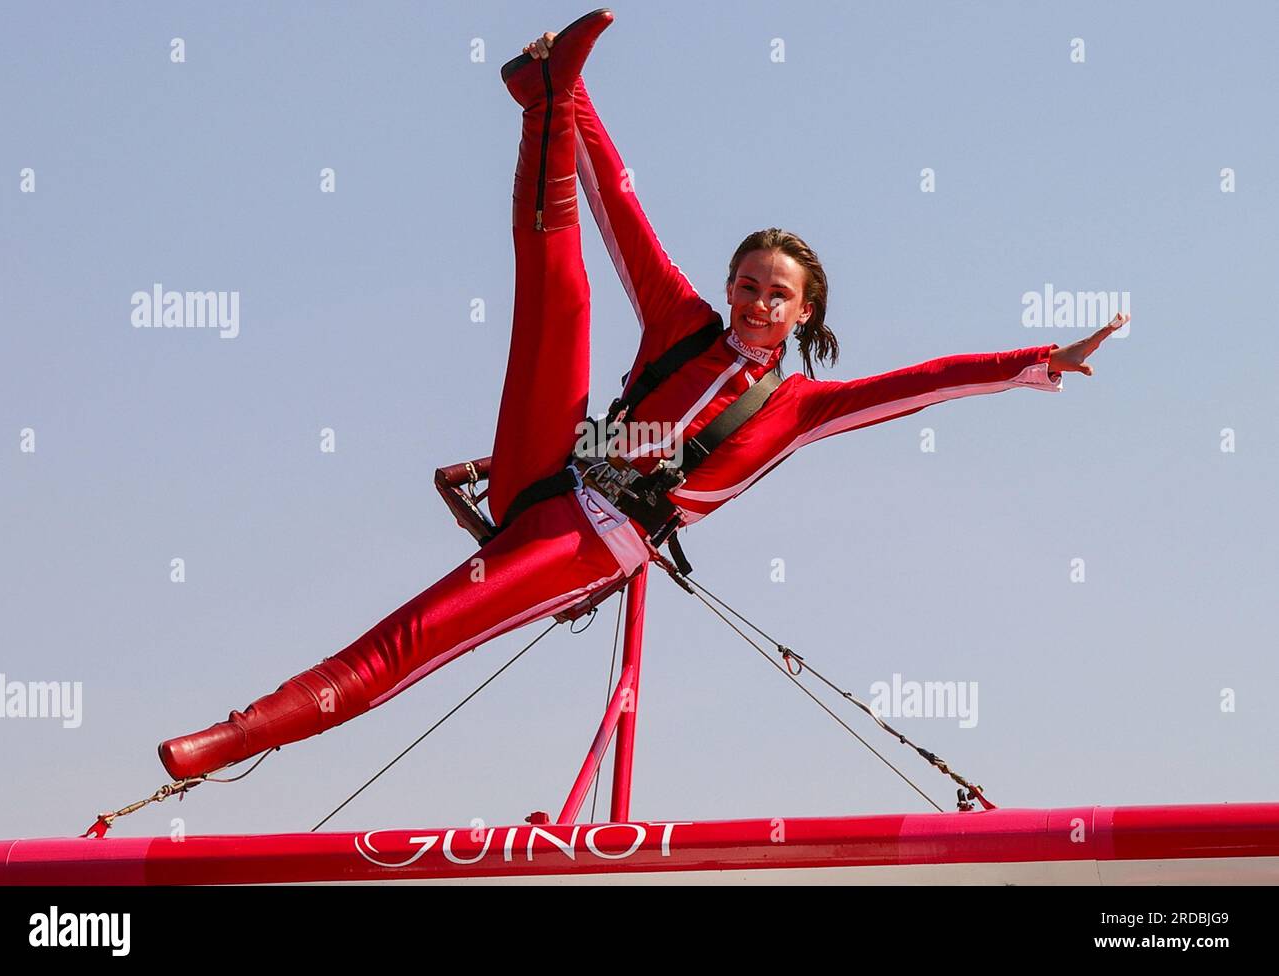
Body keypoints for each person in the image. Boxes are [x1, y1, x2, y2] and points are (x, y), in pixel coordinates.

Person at [158, 8, 1122, 781]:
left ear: (802, 312)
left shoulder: (793, 410)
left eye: (773, 293)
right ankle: (540, 97)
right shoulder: (680, 321)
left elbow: (919, 386)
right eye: (745, 282)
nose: (752, 300)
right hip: (549, 466)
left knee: (405, 645)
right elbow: (618, 198)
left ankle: (225, 740)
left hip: (585, 544)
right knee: (563, 297)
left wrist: (1038, 360)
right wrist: (574, 94)